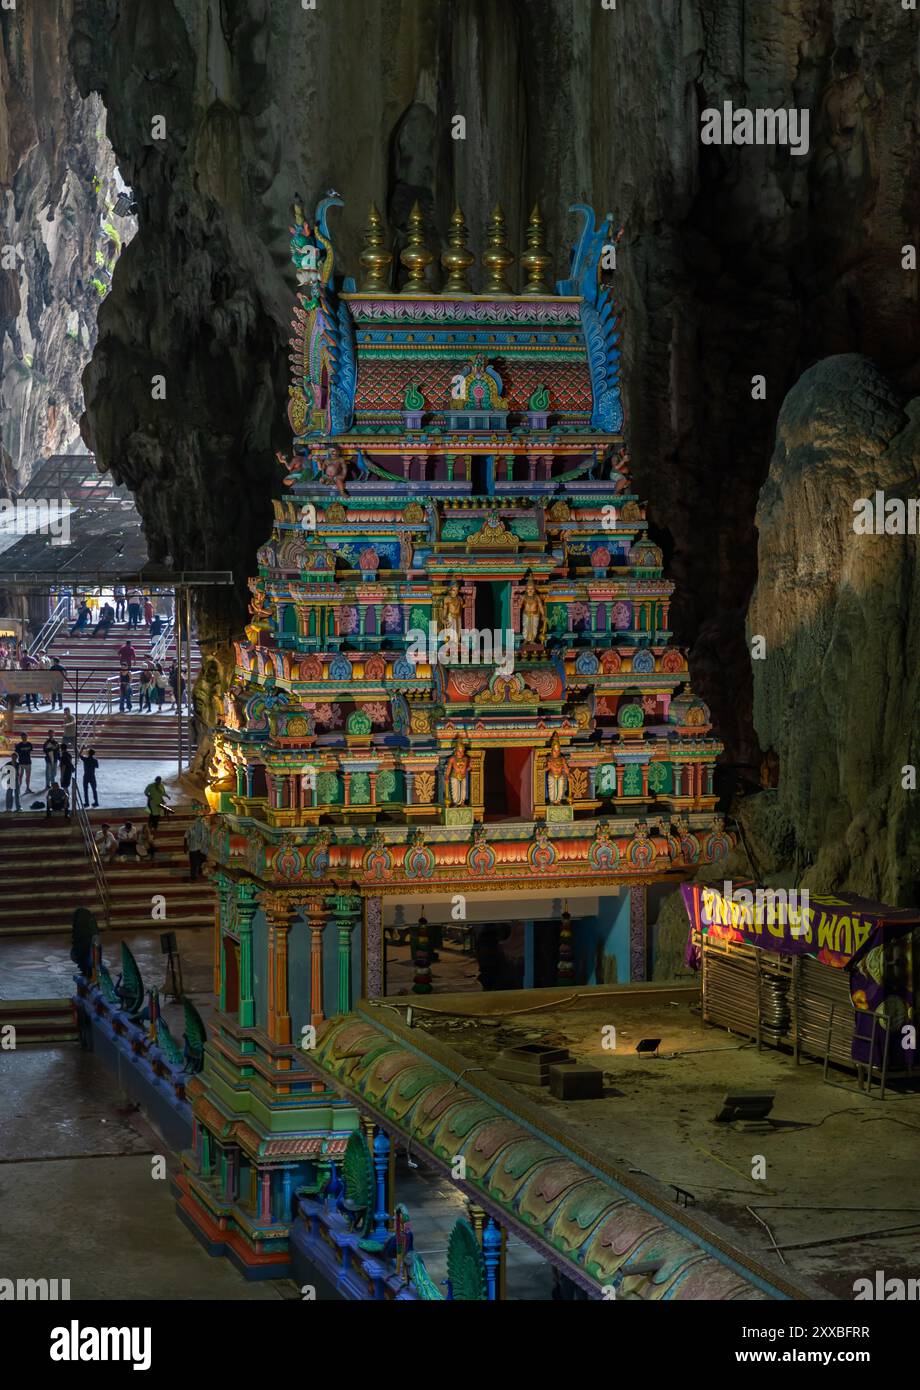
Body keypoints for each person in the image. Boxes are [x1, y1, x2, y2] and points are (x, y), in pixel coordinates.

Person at [184, 812, 208, 880]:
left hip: (201, 848)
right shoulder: (192, 827)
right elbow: (186, 836)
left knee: (202, 861)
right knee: (193, 863)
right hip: (193, 848)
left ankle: (200, 873)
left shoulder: (203, 827)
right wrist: (185, 847)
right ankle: (193, 876)